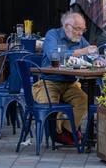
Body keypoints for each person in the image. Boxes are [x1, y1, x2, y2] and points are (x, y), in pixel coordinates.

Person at [35, 11, 99, 146]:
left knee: (84, 100)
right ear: (67, 26)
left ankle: (65, 130)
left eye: (83, 29)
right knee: (49, 104)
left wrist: (97, 60)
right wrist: (81, 52)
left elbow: (91, 53)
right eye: (78, 29)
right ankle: (57, 132)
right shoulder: (52, 34)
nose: (81, 33)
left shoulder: (80, 39)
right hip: (50, 81)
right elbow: (54, 54)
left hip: (70, 83)